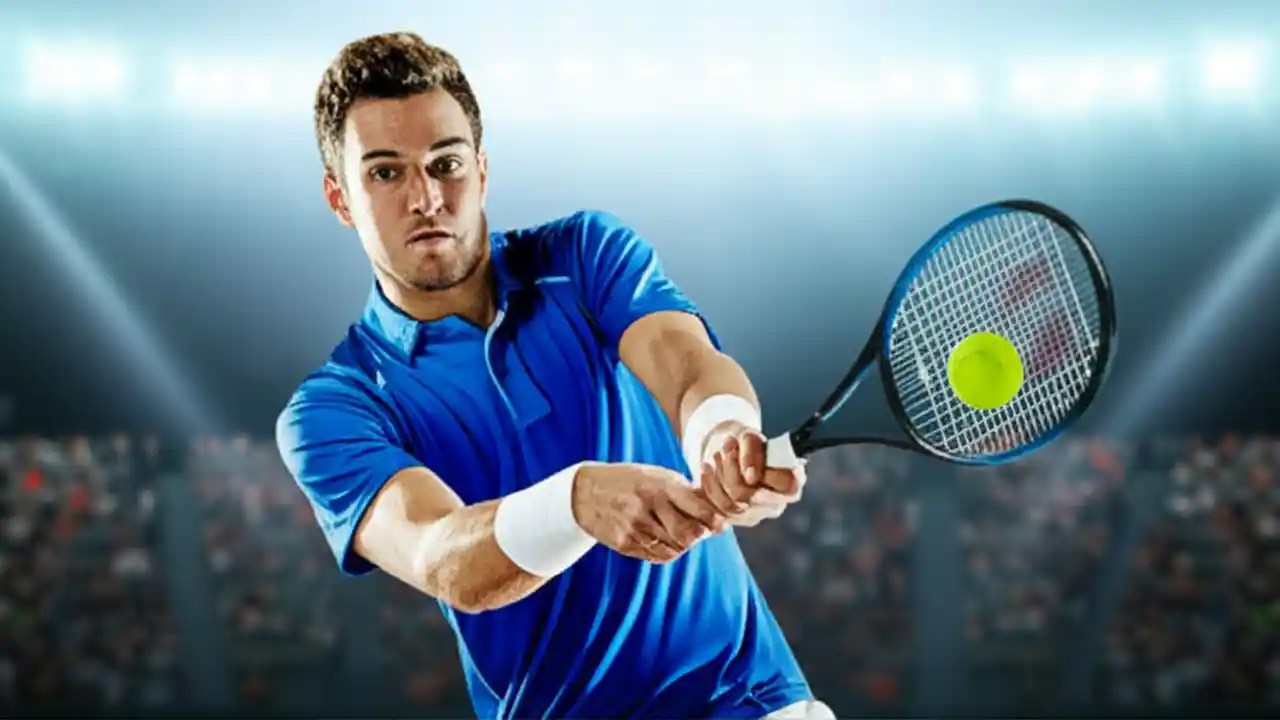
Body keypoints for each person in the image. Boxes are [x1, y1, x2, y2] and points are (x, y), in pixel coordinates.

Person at [276, 31, 834, 720]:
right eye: (385, 173)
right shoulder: (334, 408)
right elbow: (441, 557)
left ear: (482, 170)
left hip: (747, 704)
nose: (424, 197)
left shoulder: (585, 254)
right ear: (340, 198)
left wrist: (723, 435)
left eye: (445, 163)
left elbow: (688, 369)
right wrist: (577, 500)